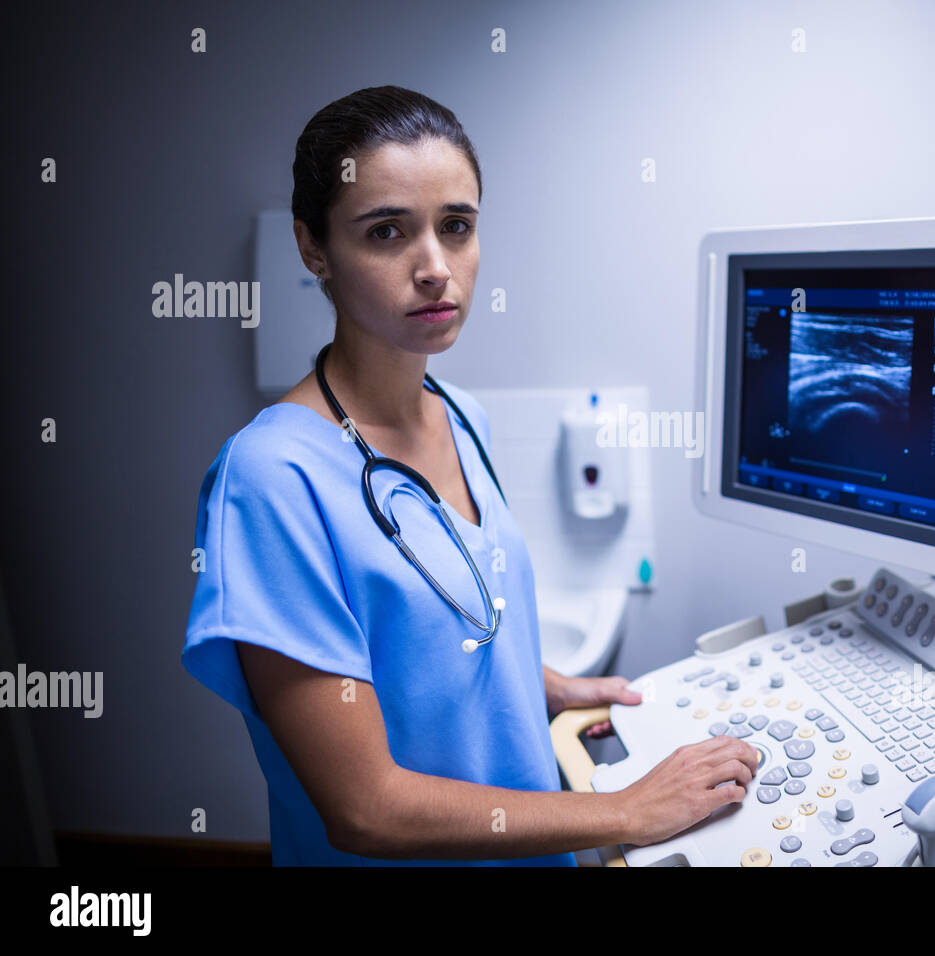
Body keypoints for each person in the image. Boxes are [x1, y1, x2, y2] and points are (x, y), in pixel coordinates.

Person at [182, 86, 757, 865]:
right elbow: (366, 809)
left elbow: (443, 631)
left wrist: (544, 685)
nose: (434, 267)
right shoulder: (269, 481)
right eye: (386, 232)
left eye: (456, 227)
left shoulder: (459, 415)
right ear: (312, 248)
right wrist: (625, 810)